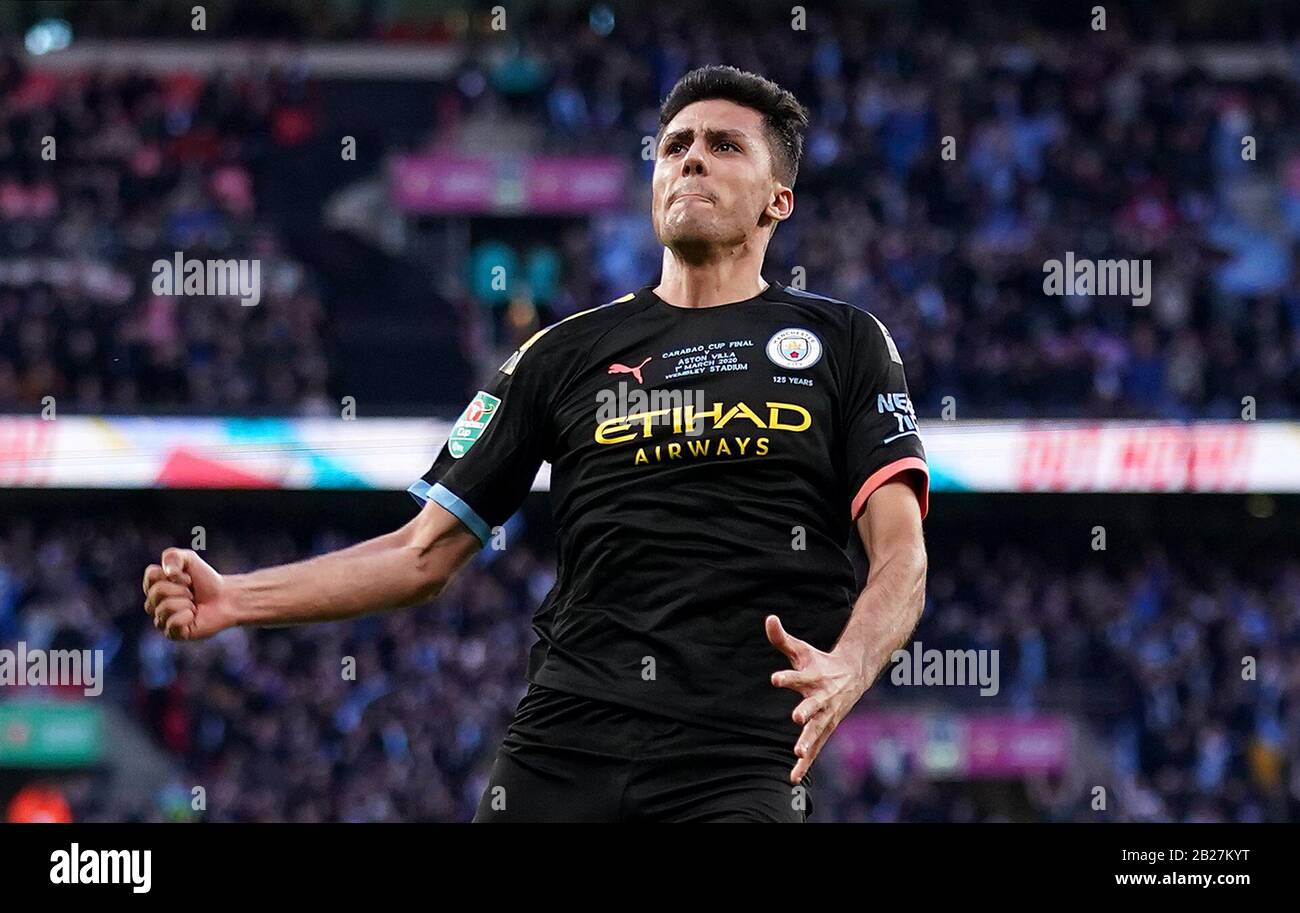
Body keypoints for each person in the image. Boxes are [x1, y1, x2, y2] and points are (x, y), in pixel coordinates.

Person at [142, 65, 929, 822]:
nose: (691, 157)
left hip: (739, 758)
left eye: (725, 145)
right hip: (563, 747)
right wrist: (238, 596)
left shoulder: (844, 341)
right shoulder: (559, 354)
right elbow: (422, 554)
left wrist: (851, 662)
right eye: (675, 144)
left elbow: (900, 554)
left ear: (777, 200)